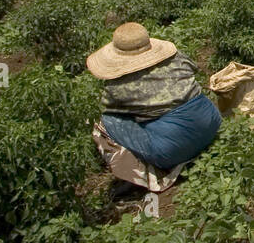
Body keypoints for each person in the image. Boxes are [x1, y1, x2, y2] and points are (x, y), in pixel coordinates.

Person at [86, 22, 221, 173]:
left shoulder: (117, 86)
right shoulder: (177, 58)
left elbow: (108, 108)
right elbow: (194, 68)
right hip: (211, 121)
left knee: (107, 119)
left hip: (172, 150)